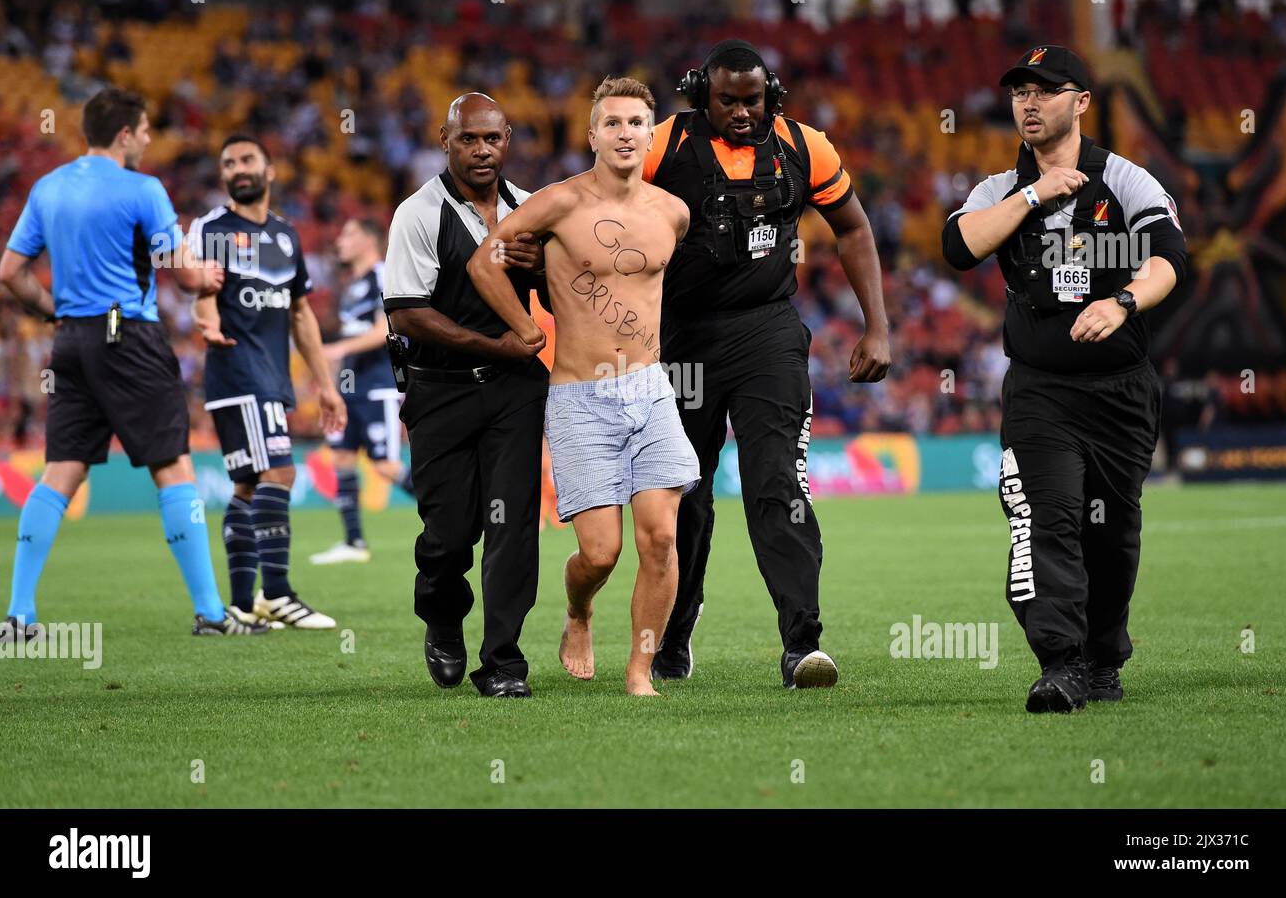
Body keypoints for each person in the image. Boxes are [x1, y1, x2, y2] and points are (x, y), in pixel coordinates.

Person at [941, 46, 1187, 713]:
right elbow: (959, 247)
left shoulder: (1127, 181)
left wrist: (1123, 302)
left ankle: (1104, 655)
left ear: (1081, 102)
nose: (1028, 101)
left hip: (1121, 391)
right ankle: (1060, 662)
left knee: (1112, 533)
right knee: (1049, 522)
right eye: (1020, 90)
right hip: (1040, 392)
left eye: (1046, 90)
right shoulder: (998, 188)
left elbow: (1170, 261)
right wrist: (1032, 193)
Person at [643, 39, 891, 689]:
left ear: (771, 94)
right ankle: (673, 632)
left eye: (753, 99)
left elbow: (855, 229)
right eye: (727, 100)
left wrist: (878, 327)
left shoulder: (807, 147)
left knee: (777, 484)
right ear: (703, 94)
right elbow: (604, 213)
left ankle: (800, 644)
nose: (742, 111)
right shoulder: (661, 145)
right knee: (684, 491)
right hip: (681, 340)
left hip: (769, 335)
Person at [0, 87, 265, 639]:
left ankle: (20, 614)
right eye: (144, 130)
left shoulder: (48, 189)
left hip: (71, 342)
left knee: (60, 471)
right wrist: (206, 276)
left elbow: (10, 272)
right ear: (124, 133)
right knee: (173, 465)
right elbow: (181, 271)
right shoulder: (143, 189)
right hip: (130, 338)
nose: (148, 138)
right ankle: (212, 613)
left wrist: (56, 311)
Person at [467, 76, 699, 697]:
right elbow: (484, 258)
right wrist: (525, 330)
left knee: (661, 537)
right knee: (600, 554)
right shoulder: (559, 203)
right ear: (592, 134)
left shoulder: (672, 212)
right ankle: (579, 612)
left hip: (650, 392)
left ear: (650, 136)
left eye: (636, 124)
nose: (625, 134)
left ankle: (640, 670)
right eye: (613, 123)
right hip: (578, 399)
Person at [382, 93, 548, 699]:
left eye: (492, 139)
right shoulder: (419, 214)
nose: (482, 150)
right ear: (444, 140)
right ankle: (443, 619)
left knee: (513, 527)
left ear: (508, 139)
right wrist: (494, 347)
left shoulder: (530, 208)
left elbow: (558, 300)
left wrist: (541, 269)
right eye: (468, 139)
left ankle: (503, 660)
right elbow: (406, 315)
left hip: (514, 394)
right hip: (441, 390)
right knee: (448, 536)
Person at [190, 134, 346, 629]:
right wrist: (206, 319)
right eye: (229, 162)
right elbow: (202, 286)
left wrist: (325, 384)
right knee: (280, 474)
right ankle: (277, 594)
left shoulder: (285, 234)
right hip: (238, 370)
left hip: (271, 376)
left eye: (247, 159)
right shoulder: (213, 228)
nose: (238, 168)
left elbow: (301, 314)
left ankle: (238, 607)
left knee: (248, 485)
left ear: (269, 170)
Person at [311, 218, 417, 565]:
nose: (340, 239)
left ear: (369, 241)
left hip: (378, 386)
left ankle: (452, 512)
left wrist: (339, 350)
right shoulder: (352, 284)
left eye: (348, 233)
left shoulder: (383, 274)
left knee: (385, 465)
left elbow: (387, 328)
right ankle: (354, 541)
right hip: (349, 387)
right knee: (341, 457)